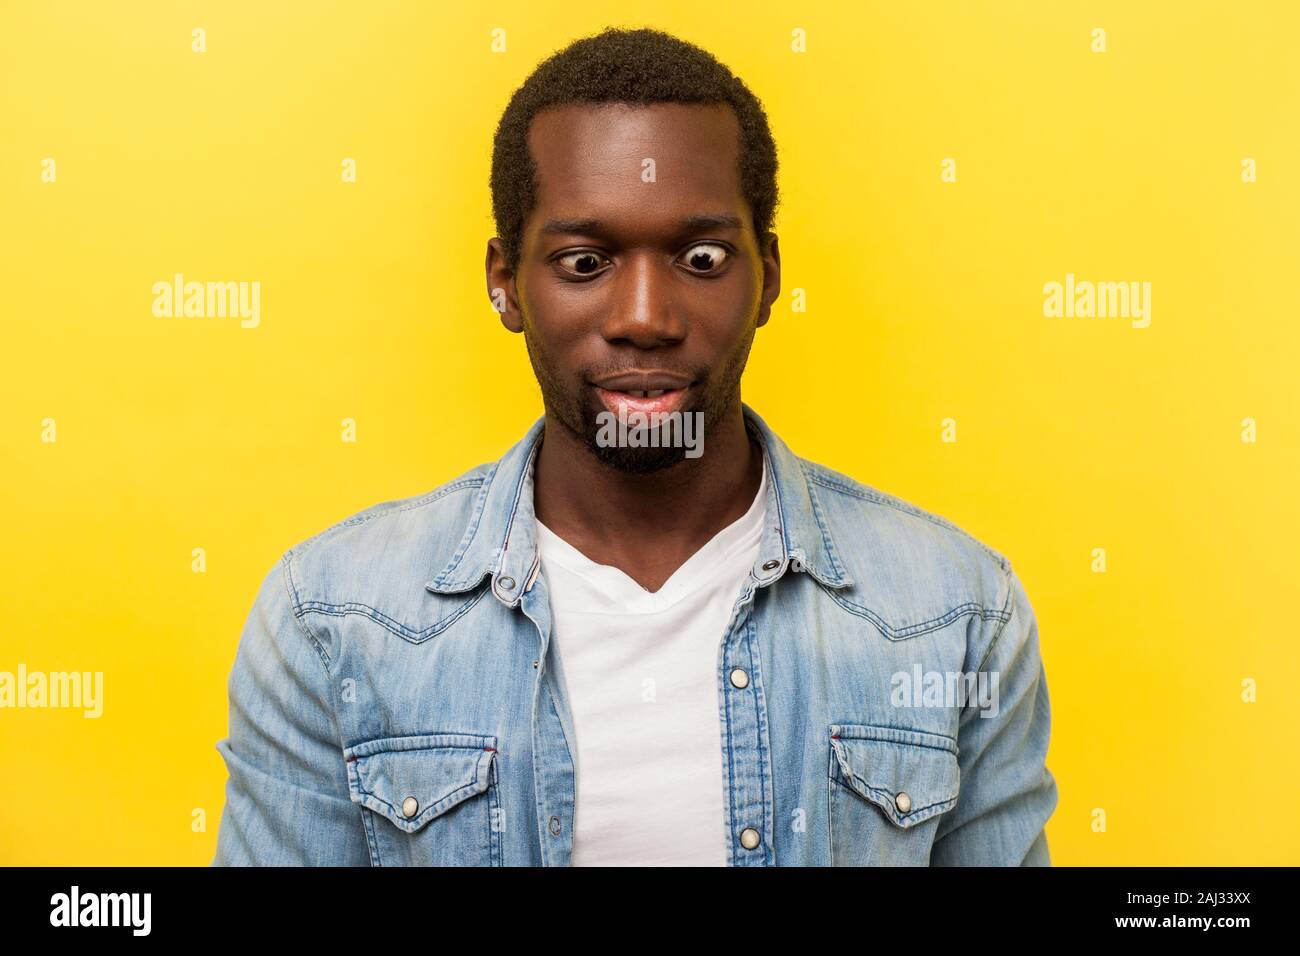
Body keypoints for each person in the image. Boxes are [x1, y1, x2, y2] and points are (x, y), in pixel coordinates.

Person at [213, 26, 1057, 866]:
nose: (645, 317)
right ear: (505, 283)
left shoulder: (956, 614)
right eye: (585, 261)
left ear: (766, 276)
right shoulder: (332, 621)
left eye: (699, 256)